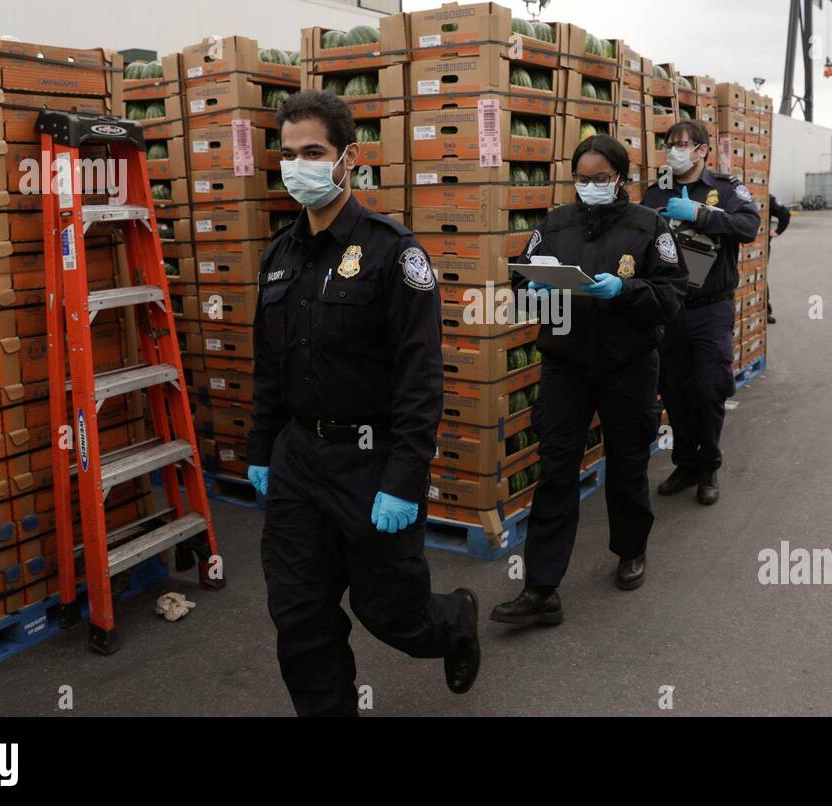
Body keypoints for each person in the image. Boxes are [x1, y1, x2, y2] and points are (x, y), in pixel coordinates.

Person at [246, 89, 479, 716]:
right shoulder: (278, 257)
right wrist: (260, 449)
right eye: (288, 155)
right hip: (298, 460)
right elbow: (269, 366)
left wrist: (406, 478)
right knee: (300, 616)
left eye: (313, 152)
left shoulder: (392, 253)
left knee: (392, 614)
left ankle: (453, 622)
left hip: (370, 464)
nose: (298, 166)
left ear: (349, 156)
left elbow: (420, 376)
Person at [490, 135, 687, 625]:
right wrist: (531, 288)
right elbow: (520, 284)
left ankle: (630, 549)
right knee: (556, 469)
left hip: (629, 365)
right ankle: (541, 587)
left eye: (600, 178)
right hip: (566, 366)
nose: (591, 186)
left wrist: (626, 289)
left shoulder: (649, 226)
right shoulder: (555, 225)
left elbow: (672, 292)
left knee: (627, 461)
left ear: (620, 177)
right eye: (582, 178)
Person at [642, 120, 760, 506]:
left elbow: (749, 226)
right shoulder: (655, 194)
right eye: (669, 144)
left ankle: (709, 464)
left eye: (683, 144)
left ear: (702, 150)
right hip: (669, 310)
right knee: (673, 389)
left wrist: (700, 215)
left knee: (709, 387)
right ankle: (685, 462)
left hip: (711, 308)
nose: (675, 150)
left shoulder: (725, 189)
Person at [766, 193, 791, 324]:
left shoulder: (766, 197)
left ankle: (765, 311)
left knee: (760, 277)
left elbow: (785, 214)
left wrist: (777, 232)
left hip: (760, 247)